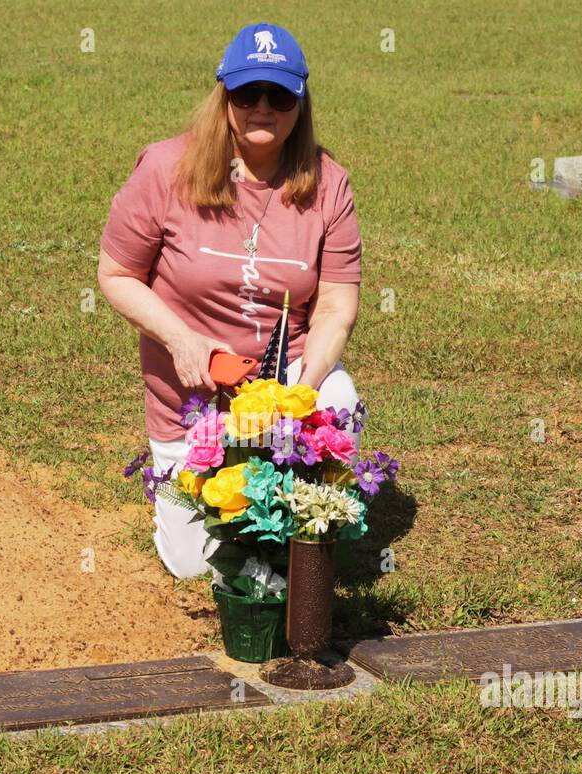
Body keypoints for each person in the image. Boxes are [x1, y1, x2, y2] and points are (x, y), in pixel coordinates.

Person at [98, 21, 363, 578]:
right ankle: (188, 493)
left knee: (339, 398)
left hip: (282, 383)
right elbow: (117, 274)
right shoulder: (166, 168)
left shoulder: (328, 182)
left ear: (300, 100)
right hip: (190, 396)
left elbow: (337, 306)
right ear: (224, 97)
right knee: (197, 566)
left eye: (279, 94)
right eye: (247, 93)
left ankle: (301, 513)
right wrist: (181, 339)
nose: (262, 108)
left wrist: (298, 394)